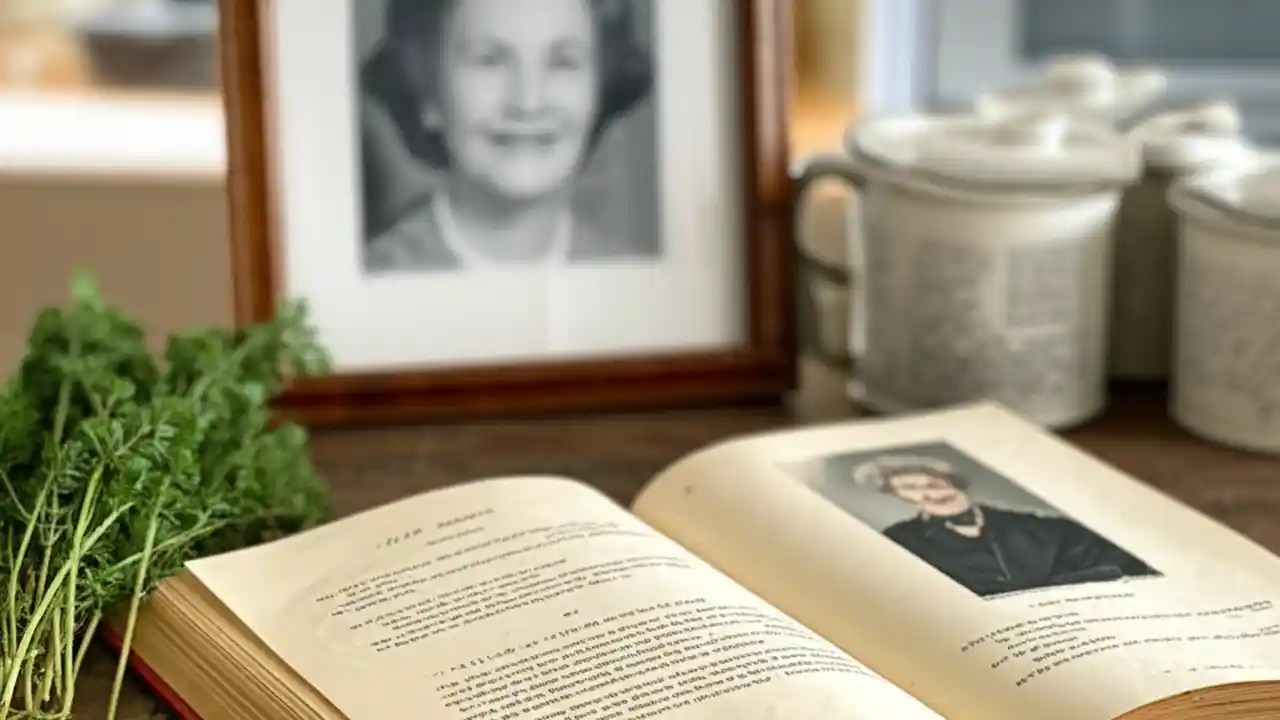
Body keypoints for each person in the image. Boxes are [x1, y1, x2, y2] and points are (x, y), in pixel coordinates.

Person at [361, 0, 653, 271]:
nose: (528, 102)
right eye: (490, 60)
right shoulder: (376, 279)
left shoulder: (631, 280)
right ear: (430, 93)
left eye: (563, 62)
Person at [853, 455, 1158, 597]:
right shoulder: (899, 541)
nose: (931, 493)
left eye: (933, 482)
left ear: (952, 482)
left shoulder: (1048, 528)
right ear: (902, 498)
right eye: (912, 489)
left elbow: (1128, 569)